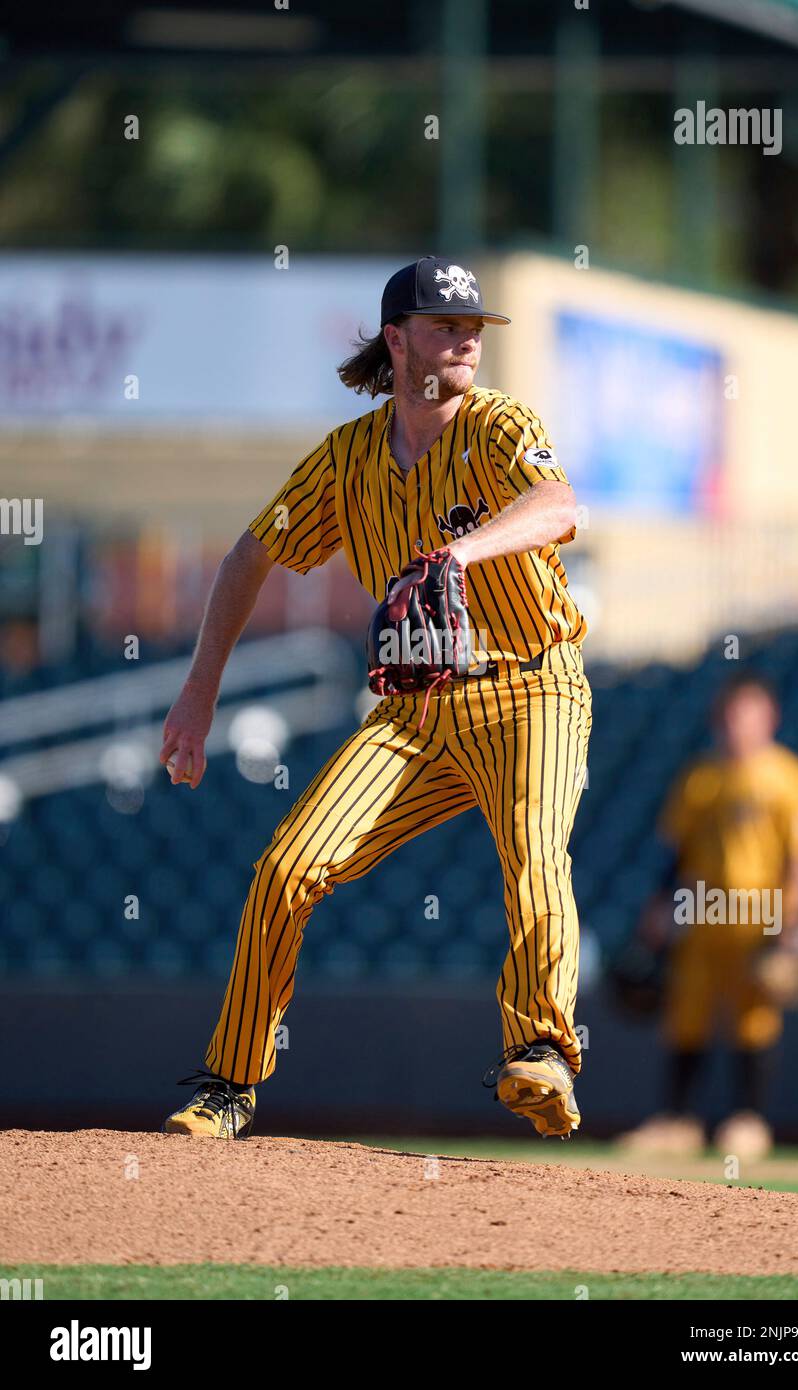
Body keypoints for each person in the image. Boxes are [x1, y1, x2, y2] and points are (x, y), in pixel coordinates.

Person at [161, 256, 592, 1140]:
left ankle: (542, 1051)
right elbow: (251, 556)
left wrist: (457, 556)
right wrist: (199, 693)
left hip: (531, 686)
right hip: (417, 713)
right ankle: (229, 1084)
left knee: (534, 855)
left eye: (474, 326)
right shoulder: (349, 459)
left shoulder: (498, 425)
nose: (467, 338)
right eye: (444, 325)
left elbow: (557, 505)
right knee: (286, 868)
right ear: (397, 341)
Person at [618, 671, 798, 1159]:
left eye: (750, 714)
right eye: (733, 714)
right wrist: (657, 909)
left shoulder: (792, 778)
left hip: (758, 917)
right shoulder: (701, 778)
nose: (740, 724)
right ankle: (677, 1121)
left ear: (770, 718)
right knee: (686, 1016)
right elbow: (675, 854)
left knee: (753, 1019)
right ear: (720, 719)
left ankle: (749, 1121)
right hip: (700, 916)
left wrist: (792, 928)